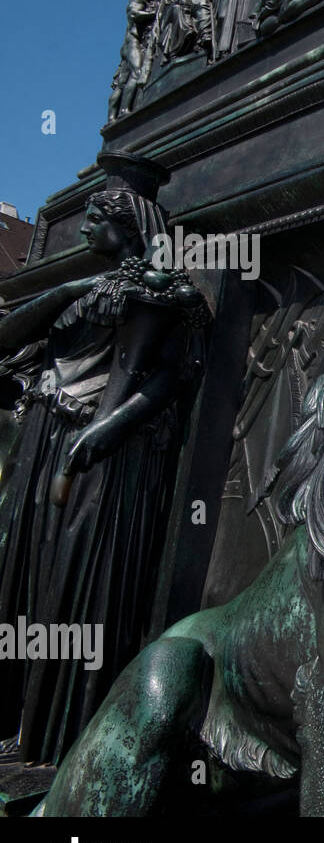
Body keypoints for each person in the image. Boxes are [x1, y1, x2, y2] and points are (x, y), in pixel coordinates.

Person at [0, 152, 211, 765]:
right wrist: (69, 286)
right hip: (48, 436)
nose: (85, 229)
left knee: (70, 578)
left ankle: (55, 731)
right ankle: (20, 717)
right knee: (29, 575)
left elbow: (160, 377)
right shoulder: (89, 290)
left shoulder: (152, 293)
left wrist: (106, 431)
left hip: (90, 451)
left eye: (96, 218)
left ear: (123, 225)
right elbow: (8, 336)